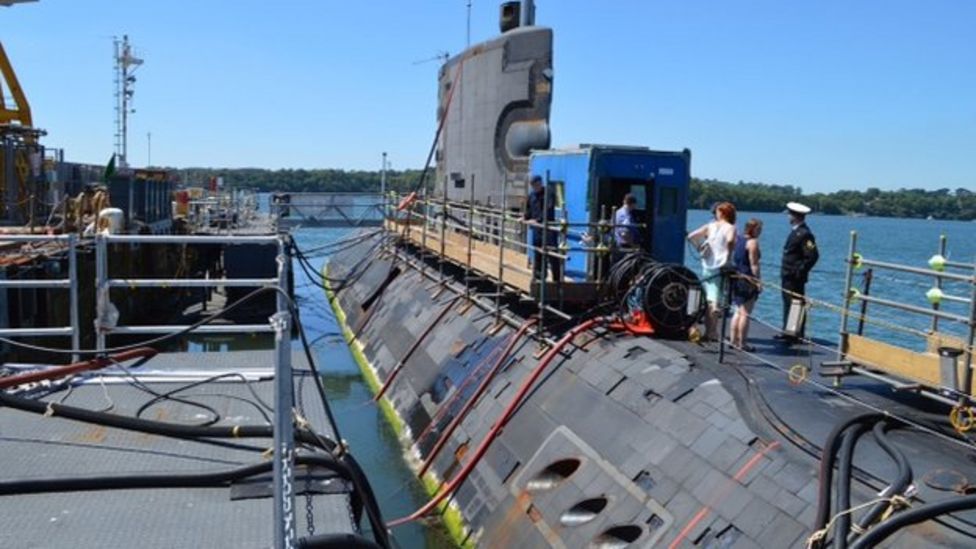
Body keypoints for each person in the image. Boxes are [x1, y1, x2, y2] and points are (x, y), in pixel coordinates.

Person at [687, 202, 736, 341]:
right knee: (714, 298)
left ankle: (709, 330)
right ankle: (712, 330)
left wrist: (700, 247)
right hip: (720, 266)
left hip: (707, 264)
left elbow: (691, 236)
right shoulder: (730, 228)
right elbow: (731, 240)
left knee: (709, 295)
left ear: (722, 213)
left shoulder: (710, 226)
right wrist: (728, 256)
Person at [777, 201, 819, 343]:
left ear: (795, 216)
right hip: (787, 275)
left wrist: (799, 271)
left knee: (796, 303)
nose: (788, 217)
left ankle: (796, 333)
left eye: (790, 214)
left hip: (795, 277)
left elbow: (812, 256)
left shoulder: (804, 234)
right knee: (788, 303)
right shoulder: (796, 232)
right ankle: (788, 331)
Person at [730, 218, 763, 351]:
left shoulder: (739, 240)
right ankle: (742, 343)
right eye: (759, 229)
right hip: (747, 279)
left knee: (737, 312)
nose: (760, 232)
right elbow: (754, 264)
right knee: (745, 313)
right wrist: (758, 281)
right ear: (754, 229)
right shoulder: (752, 243)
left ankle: (733, 340)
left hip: (737, 277)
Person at [524, 175, 562, 282]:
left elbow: (548, 210)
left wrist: (538, 220)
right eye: (533, 185)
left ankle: (557, 280)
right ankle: (539, 277)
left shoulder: (548, 194)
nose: (535, 187)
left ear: (540, 183)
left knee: (552, 254)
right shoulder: (531, 195)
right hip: (537, 230)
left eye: (536, 184)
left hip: (548, 229)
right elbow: (528, 210)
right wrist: (524, 217)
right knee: (538, 253)